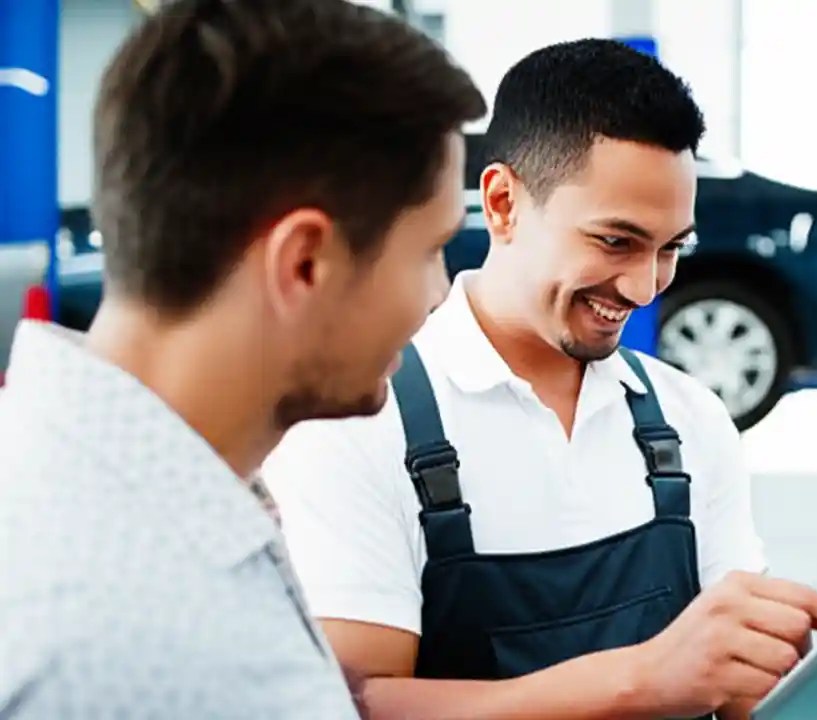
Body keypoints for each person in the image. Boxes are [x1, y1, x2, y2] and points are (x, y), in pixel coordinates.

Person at [263, 38, 817, 720]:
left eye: (670, 249)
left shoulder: (689, 422)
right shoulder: (362, 423)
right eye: (615, 241)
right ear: (501, 203)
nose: (645, 286)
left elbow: (740, 692)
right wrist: (640, 681)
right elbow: (357, 705)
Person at [0, 1, 484, 717]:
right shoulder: (136, 647)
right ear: (306, 263)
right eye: (429, 251)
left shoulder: (93, 499)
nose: (440, 295)